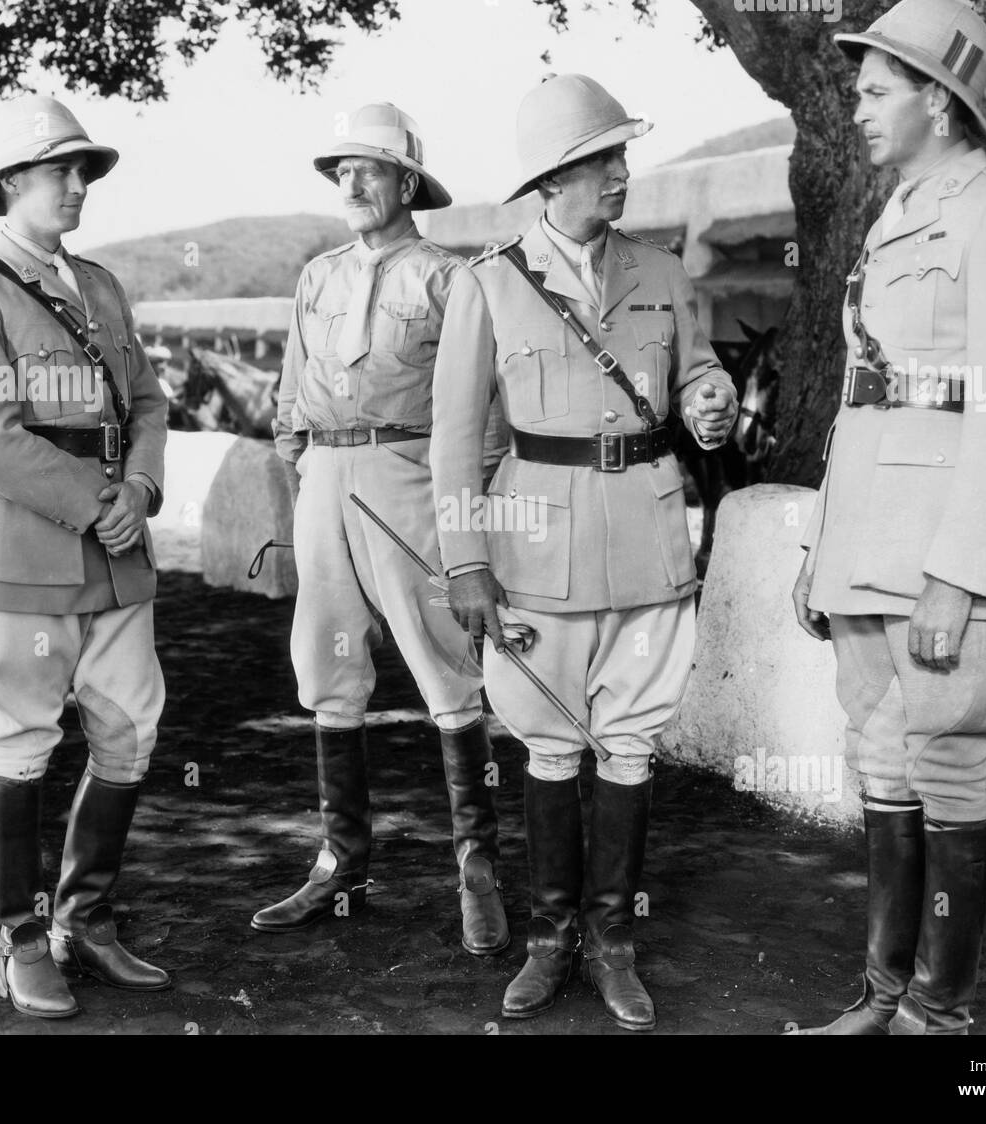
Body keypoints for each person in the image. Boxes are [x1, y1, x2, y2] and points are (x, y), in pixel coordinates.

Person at [429, 74, 738, 1031]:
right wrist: (466, 561)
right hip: (533, 552)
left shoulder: (664, 272)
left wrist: (712, 400)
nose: (622, 174)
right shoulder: (487, 283)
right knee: (551, 746)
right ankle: (550, 940)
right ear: (553, 180)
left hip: (648, 539)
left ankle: (614, 946)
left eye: (621, 157)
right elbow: (453, 442)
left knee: (631, 742)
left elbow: (699, 374)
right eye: (603, 160)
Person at [791, 0, 986, 1035]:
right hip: (867, 542)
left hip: (941, 551)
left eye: (875, 90)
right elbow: (864, 400)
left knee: (948, 771)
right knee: (883, 764)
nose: (856, 108)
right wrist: (823, 549)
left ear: (939, 101)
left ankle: (939, 1017)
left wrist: (957, 570)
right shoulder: (894, 213)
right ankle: (882, 996)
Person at [0, 94, 171, 1018]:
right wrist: (98, 504)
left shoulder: (101, 286)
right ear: (11, 183)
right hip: (24, 545)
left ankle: (89, 919)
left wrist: (140, 493)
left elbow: (146, 402)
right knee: (25, 733)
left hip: (116, 548)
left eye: (83, 171)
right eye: (62, 170)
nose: (79, 186)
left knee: (130, 731)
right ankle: (22, 938)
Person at [253, 104, 510, 957]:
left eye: (369, 168)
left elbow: (486, 417)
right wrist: (310, 471)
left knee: (446, 669)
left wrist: (462, 509)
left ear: (407, 182)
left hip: (413, 477)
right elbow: (290, 399)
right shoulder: (317, 276)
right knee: (327, 668)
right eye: (340, 171)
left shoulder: (450, 276)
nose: (352, 184)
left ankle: (477, 867)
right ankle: (341, 864)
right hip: (325, 476)